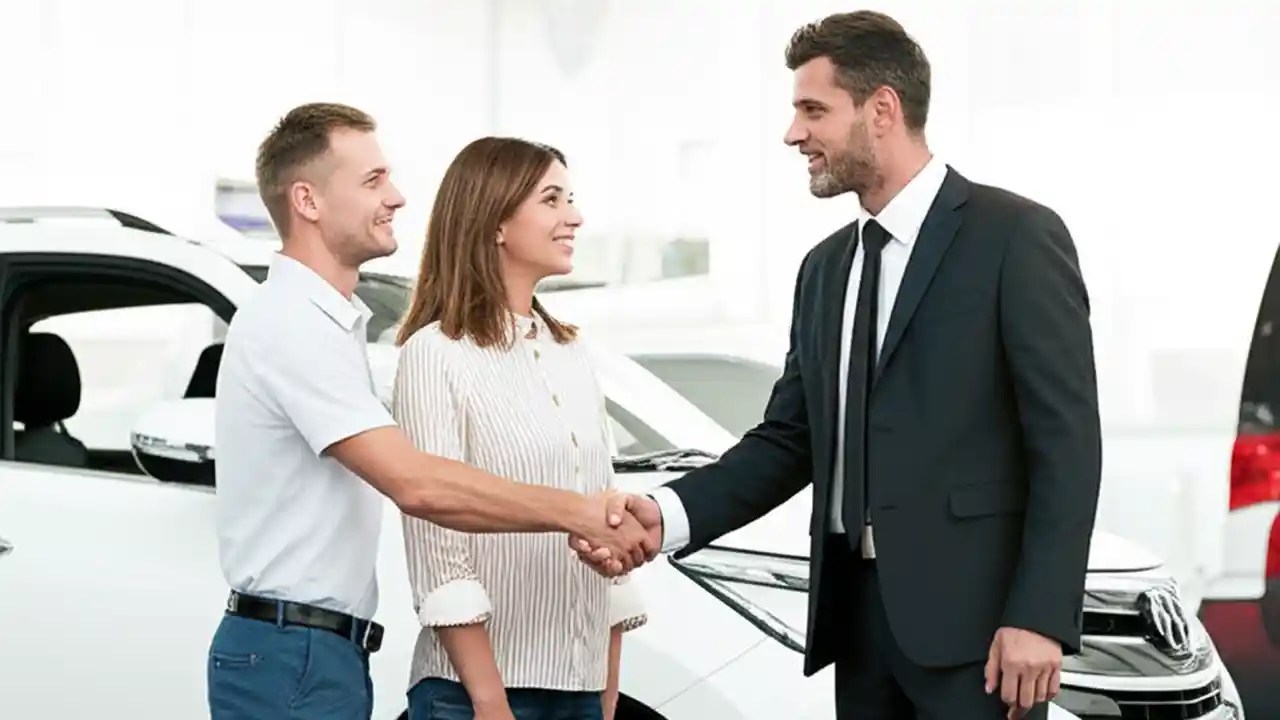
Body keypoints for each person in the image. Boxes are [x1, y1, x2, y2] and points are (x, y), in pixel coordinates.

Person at [576, 11, 1102, 720]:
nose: (795, 133)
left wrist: (1039, 616)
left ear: (882, 109)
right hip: (858, 630)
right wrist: (665, 513)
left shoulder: (1013, 237)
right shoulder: (824, 271)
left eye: (813, 110)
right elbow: (789, 442)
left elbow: (1067, 445)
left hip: (979, 636)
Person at [208, 104, 652, 720]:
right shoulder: (291, 323)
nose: (396, 197)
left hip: (321, 649)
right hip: (293, 650)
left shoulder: (330, 325)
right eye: (373, 181)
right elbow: (416, 485)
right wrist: (582, 514)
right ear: (307, 200)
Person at [390, 137, 646, 720]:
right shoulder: (436, 354)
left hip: (579, 689)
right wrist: (489, 702)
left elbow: (604, 525)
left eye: (570, 198)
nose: (574, 216)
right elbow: (438, 549)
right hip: (474, 696)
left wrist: (604, 697)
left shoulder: (570, 351)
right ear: (495, 222)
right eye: (552, 200)